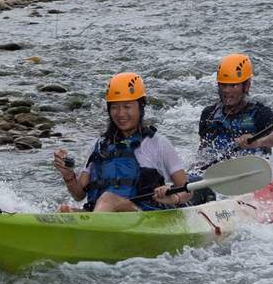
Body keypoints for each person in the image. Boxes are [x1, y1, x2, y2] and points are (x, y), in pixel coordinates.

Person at [52, 72, 189, 212]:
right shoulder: (99, 145)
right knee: (63, 211)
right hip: (102, 217)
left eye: (127, 106)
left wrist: (174, 198)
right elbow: (78, 194)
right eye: (114, 107)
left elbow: (187, 190)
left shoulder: (158, 143)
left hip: (143, 216)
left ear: (141, 107)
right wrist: (68, 174)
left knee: (108, 199)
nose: (120, 114)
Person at [196, 53, 273, 169]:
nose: (226, 91)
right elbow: (202, 153)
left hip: (253, 173)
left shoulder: (259, 113)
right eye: (223, 85)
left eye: (233, 85)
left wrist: (259, 141)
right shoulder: (209, 114)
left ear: (247, 86)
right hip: (218, 174)